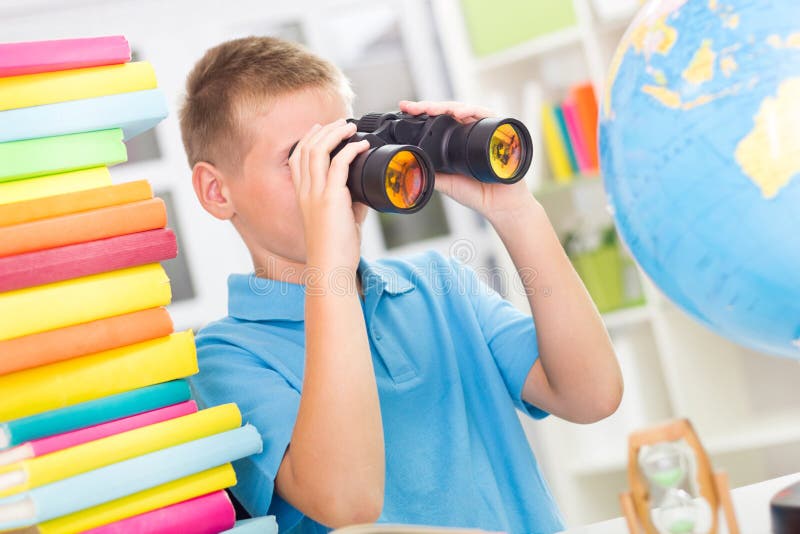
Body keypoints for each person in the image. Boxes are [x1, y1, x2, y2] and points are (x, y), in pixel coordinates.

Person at [180, 35, 623, 534]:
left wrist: (516, 210)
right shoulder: (224, 359)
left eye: (344, 146)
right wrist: (332, 268)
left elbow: (592, 395)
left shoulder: (439, 288)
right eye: (304, 158)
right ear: (217, 191)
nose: (338, 173)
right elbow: (347, 502)